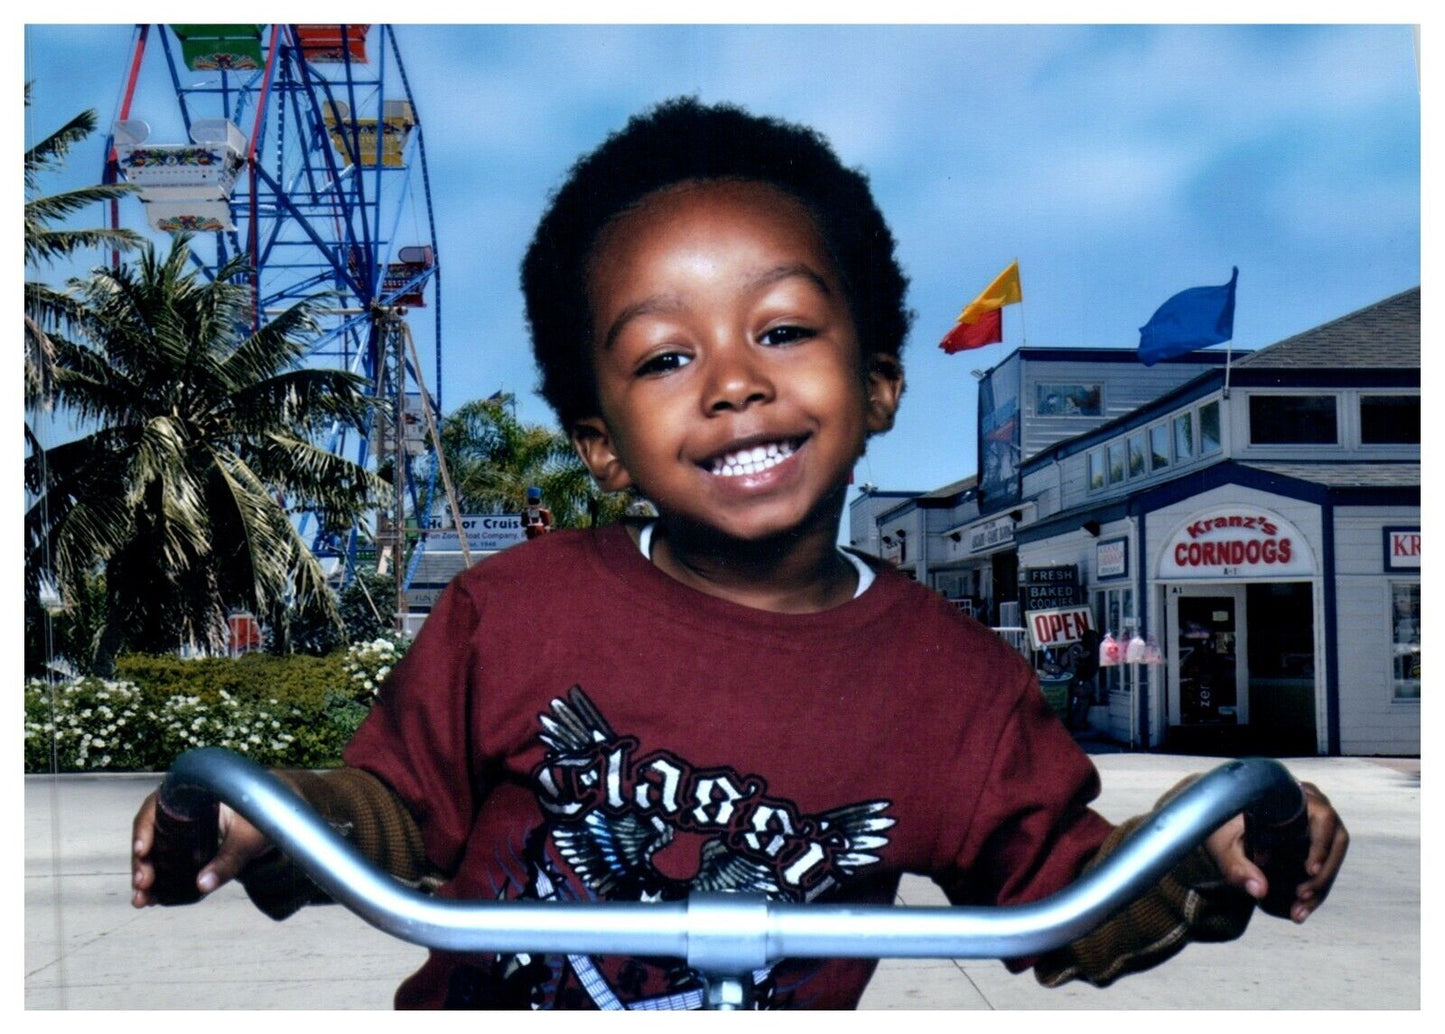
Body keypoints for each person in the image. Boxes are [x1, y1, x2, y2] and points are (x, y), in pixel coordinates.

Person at [131, 98, 1348, 1010]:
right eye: (665, 355)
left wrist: (1212, 845)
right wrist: (267, 819)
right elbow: (393, 809)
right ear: (602, 445)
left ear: (878, 382)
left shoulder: (953, 683)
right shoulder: (513, 611)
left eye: (781, 328)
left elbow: (1068, 893)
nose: (731, 382)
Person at [1067, 629, 1103, 731]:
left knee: (1083, 700)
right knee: (1079, 700)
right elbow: (1074, 663)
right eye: (1093, 639)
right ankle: (1075, 722)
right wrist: (1078, 679)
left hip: (1083, 678)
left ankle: (1078, 722)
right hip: (1078, 678)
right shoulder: (1078, 648)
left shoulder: (1089, 649)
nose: (1095, 642)